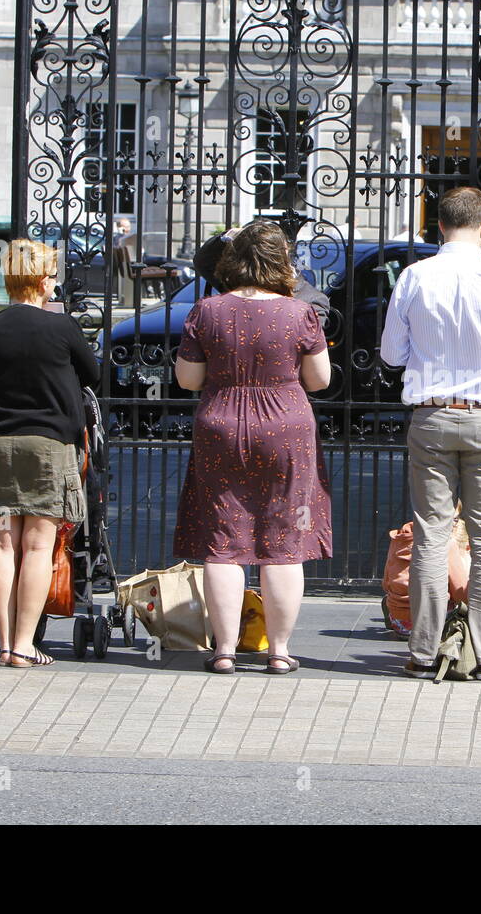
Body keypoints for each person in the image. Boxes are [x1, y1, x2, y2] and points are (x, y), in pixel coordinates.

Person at [380, 186, 481, 681]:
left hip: (431, 414)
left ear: (438, 225)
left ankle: (423, 650)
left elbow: (391, 354)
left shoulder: (414, 277)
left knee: (431, 534)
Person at [172, 220, 333, 675]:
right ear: (281, 261)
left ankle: (224, 648)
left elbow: (188, 379)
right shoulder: (298, 312)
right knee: (283, 541)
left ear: (233, 261)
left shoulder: (206, 310)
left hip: (220, 422)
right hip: (285, 425)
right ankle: (278, 650)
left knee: (222, 541)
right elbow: (319, 380)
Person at [0, 239, 99, 668]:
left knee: (2, 542)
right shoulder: (61, 327)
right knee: (38, 545)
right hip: (48, 446)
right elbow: (93, 374)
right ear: (45, 282)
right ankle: (26, 643)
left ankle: (6, 641)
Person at [193, 226, 331, 328]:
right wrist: (230, 236)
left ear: (284, 251)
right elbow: (203, 261)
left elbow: (311, 348)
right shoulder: (241, 285)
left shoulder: (312, 300)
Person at [380, 512, 471, 639]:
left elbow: (385, 582)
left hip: (399, 621)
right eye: (454, 519)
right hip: (430, 623)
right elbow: (460, 595)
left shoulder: (400, 539)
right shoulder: (447, 543)